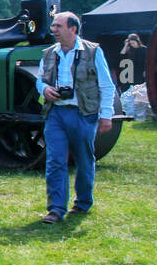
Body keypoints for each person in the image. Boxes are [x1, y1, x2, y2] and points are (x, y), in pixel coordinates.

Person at [35, 12, 116, 224]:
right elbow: (39, 80)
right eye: (53, 26)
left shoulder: (93, 51)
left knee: (84, 159)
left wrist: (106, 116)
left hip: (83, 114)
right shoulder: (48, 53)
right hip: (56, 114)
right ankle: (56, 209)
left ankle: (82, 203)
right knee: (55, 161)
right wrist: (44, 89)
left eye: (59, 26)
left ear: (73, 29)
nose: (54, 30)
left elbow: (107, 86)